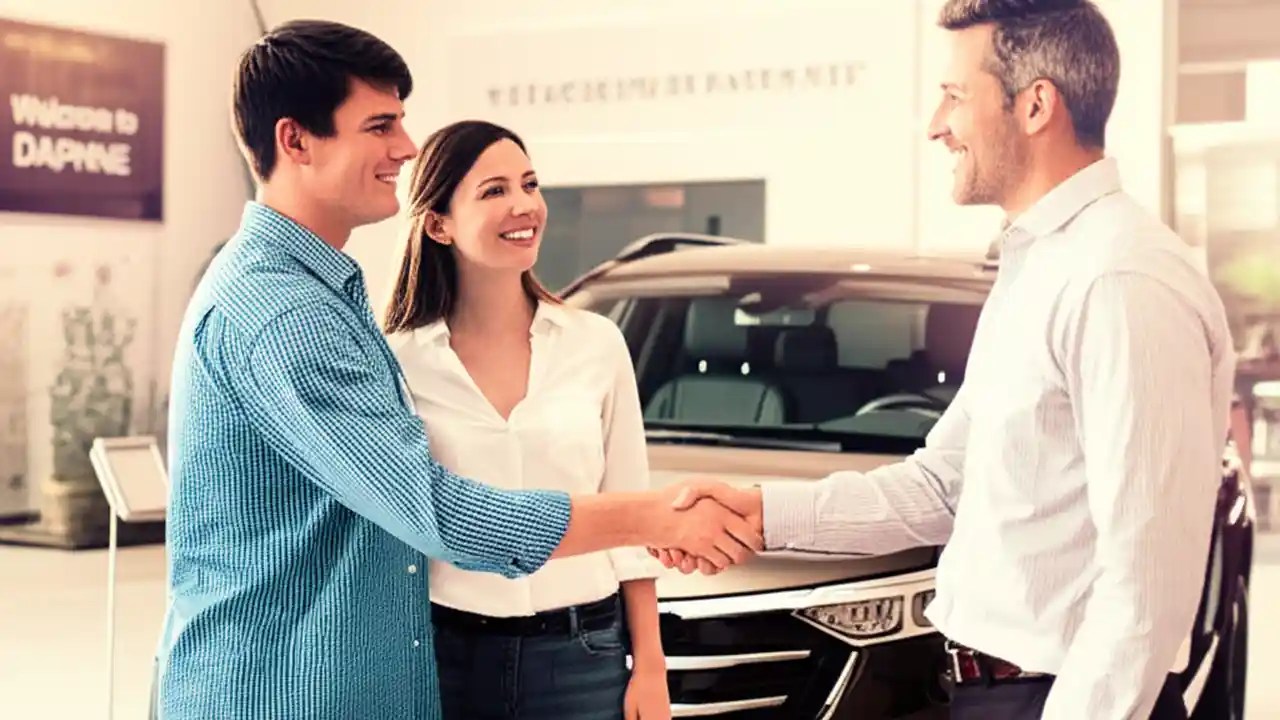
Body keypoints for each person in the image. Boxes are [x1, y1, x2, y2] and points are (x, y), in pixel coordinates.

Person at [155, 20, 759, 720]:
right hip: (288, 692)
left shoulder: (314, 293)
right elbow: (437, 511)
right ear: (295, 141)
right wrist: (657, 516)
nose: (405, 149)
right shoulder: (286, 314)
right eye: (379, 126)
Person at [660, 1, 1237, 719]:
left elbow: (1144, 588)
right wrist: (763, 512)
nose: (936, 124)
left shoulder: (1120, 279)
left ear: (1034, 106)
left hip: (1063, 698)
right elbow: (941, 487)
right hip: (989, 692)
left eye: (955, 95)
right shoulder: (1041, 265)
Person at [382, 120, 670, 720]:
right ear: (438, 224)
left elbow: (630, 514)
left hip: (583, 656)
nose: (524, 206)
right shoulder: (398, 360)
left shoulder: (595, 343)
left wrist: (650, 666)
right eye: (494, 191)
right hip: (445, 658)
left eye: (530, 184)